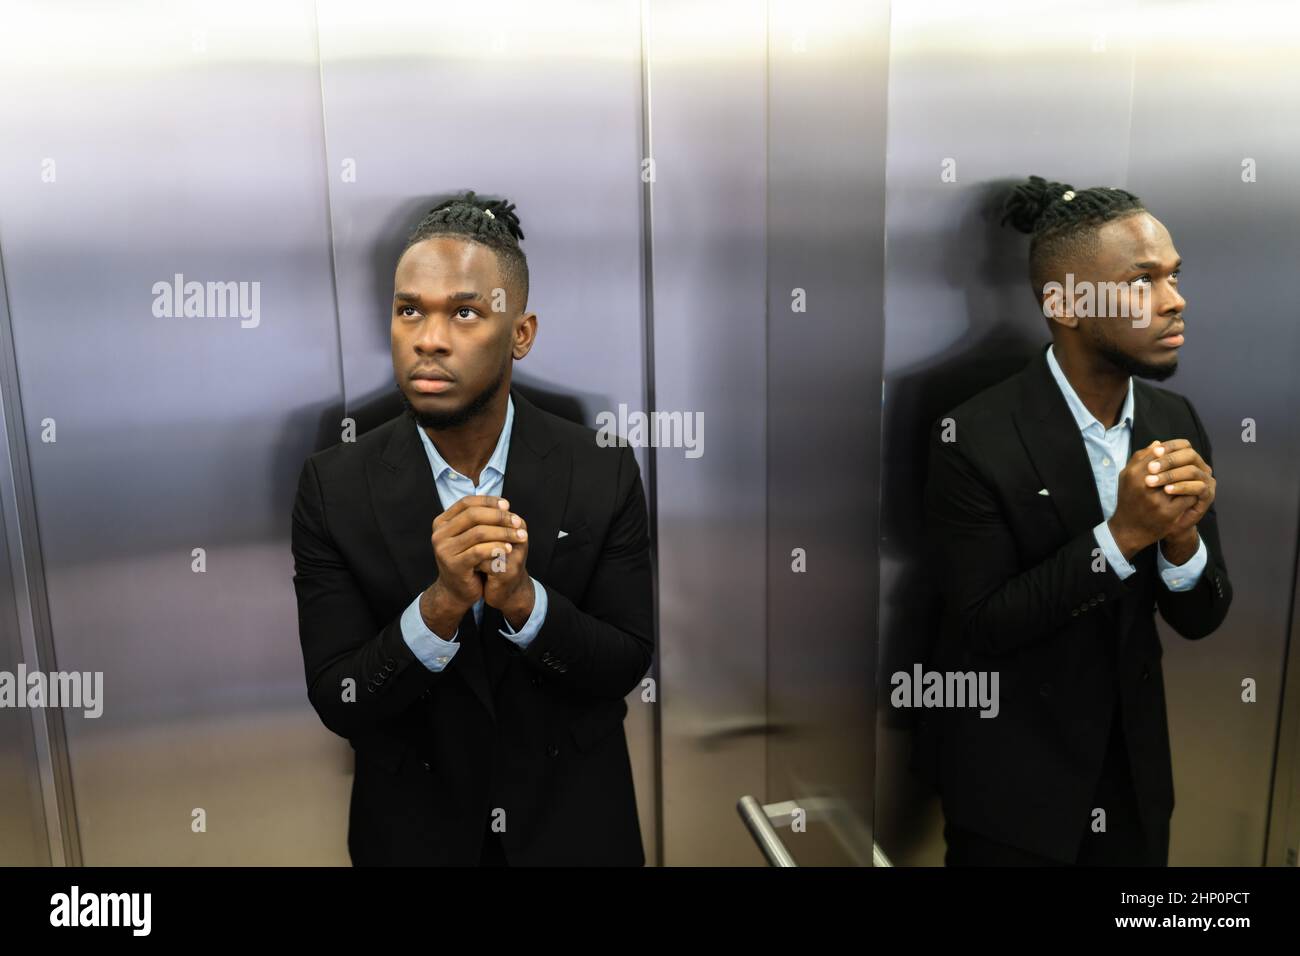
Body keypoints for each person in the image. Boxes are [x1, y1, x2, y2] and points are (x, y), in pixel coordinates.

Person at [291, 191, 653, 865]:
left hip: (575, 830)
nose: (429, 338)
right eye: (409, 312)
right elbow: (339, 696)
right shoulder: (333, 485)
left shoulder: (598, 465)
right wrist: (440, 607)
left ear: (520, 332)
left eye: (464, 311)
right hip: (416, 836)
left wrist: (525, 603)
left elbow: (627, 660)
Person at [915, 176, 1233, 865]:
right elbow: (984, 622)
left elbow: (1202, 616)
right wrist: (1124, 536)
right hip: (1014, 797)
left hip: (1135, 786)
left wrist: (1181, 540)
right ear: (1064, 304)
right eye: (1142, 281)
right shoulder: (972, 436)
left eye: (1175, 276)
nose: (1175, 301)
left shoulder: (1174, 421)